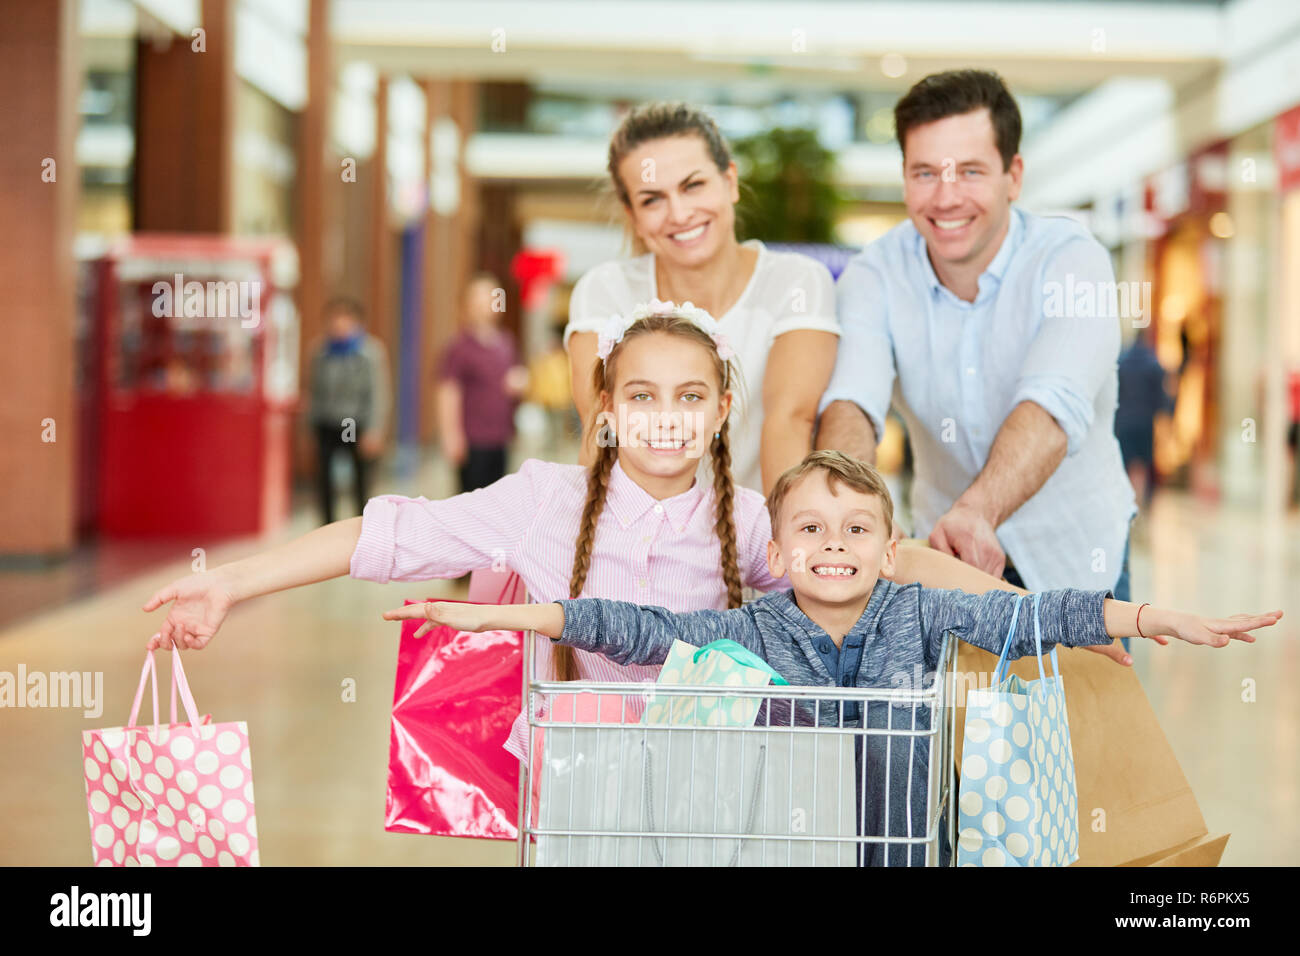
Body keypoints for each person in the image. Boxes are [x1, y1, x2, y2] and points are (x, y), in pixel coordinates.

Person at [144, 306, 1120, 759]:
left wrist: (1046, 617)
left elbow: (875, 581)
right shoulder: (539, 499)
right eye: (641, 395)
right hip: (565, 785)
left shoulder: (752, 523)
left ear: (721, 405)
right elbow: (384, 532)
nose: (665, 416)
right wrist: (231, 582)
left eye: (689, 396)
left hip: (723, 791)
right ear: (605, 405)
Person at [388, 451, 1282, 864]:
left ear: (889, 549)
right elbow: (639, 628)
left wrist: (1150, 616)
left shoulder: (922, 612)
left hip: (909, 848)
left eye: (858, 529)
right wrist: (514, 620)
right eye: (810, 530)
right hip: (792, 848)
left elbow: (1041, 615)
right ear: (777, 549)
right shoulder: (755, 630)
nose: (835, 546)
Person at [816, 69, 1138, 624]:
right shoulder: (875, 274)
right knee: (954, 713)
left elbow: (1053, 404)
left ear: (1013, 175)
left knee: (1082, 713)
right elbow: (853, 402)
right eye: (924, 172)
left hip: (1077, 557)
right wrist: (851, 508)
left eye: (969, 171)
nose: (946, 197)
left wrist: (977, 511)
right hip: (947, 564)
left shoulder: (1072, 261)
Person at [565, 102, 840, 495]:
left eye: (693, 186)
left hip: (757, 530)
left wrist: (780, 542)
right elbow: (603, 433)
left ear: (729, 180)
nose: (679, 213)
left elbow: (788, 422)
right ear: (633, 215)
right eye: (651, 199)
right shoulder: (605, 291)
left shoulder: (796, 282)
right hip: (643, 538)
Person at [437, 273, 528, 493]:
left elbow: (514, 381)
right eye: (480, 297)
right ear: (468, 304)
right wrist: (451, 435)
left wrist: (520, 384)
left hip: (500, 438)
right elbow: (448, 392)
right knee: (470, 501)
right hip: (472, 440)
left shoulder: (506, 343)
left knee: (495, 500)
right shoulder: (460, 347)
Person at [307, 296, 390, 525]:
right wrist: (311, 426)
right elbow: (314, 391)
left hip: (355, 422)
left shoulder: (369, 352)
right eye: (335, 319)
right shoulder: (320, 352)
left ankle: (362, 526)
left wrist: (375, 429)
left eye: (345, 319)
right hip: (327, 422)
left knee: (361, 479)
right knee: (324, 481)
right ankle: (326, 527)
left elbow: (378, 393)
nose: (340, 325)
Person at [1115, 330, 1174, 508]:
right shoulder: (1153, 364)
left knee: (1125, 462)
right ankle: (1142, 502)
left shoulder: (1122, 362)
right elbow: (1162, 398)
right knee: (1143, 463)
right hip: (1145, 422)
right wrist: (1168, 418)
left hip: (1124, 421)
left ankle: (1126, 500)